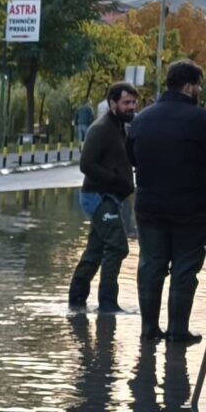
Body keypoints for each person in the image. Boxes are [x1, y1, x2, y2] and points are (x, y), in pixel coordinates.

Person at [127, 60, 206, 345]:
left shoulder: (142, 119)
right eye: (198, 86)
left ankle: (149, 329)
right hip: (191, 210)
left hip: (149, 208)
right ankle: (177, 331)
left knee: (150, 265)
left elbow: (131, 157)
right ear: (189, 86)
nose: (200, 90)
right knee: (184, 269)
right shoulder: (202, 120)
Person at [67, 82, 140, 316]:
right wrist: (116, 180)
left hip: (109, 197)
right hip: (97, 197)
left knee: (95, 249)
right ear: (112, 104)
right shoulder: (100, 128)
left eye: (134, 103)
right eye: (126, 102)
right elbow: (86, 165)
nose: (132, 107)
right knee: (117, 247)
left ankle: (76, 302)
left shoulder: (120, 127)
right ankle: (107, 304)